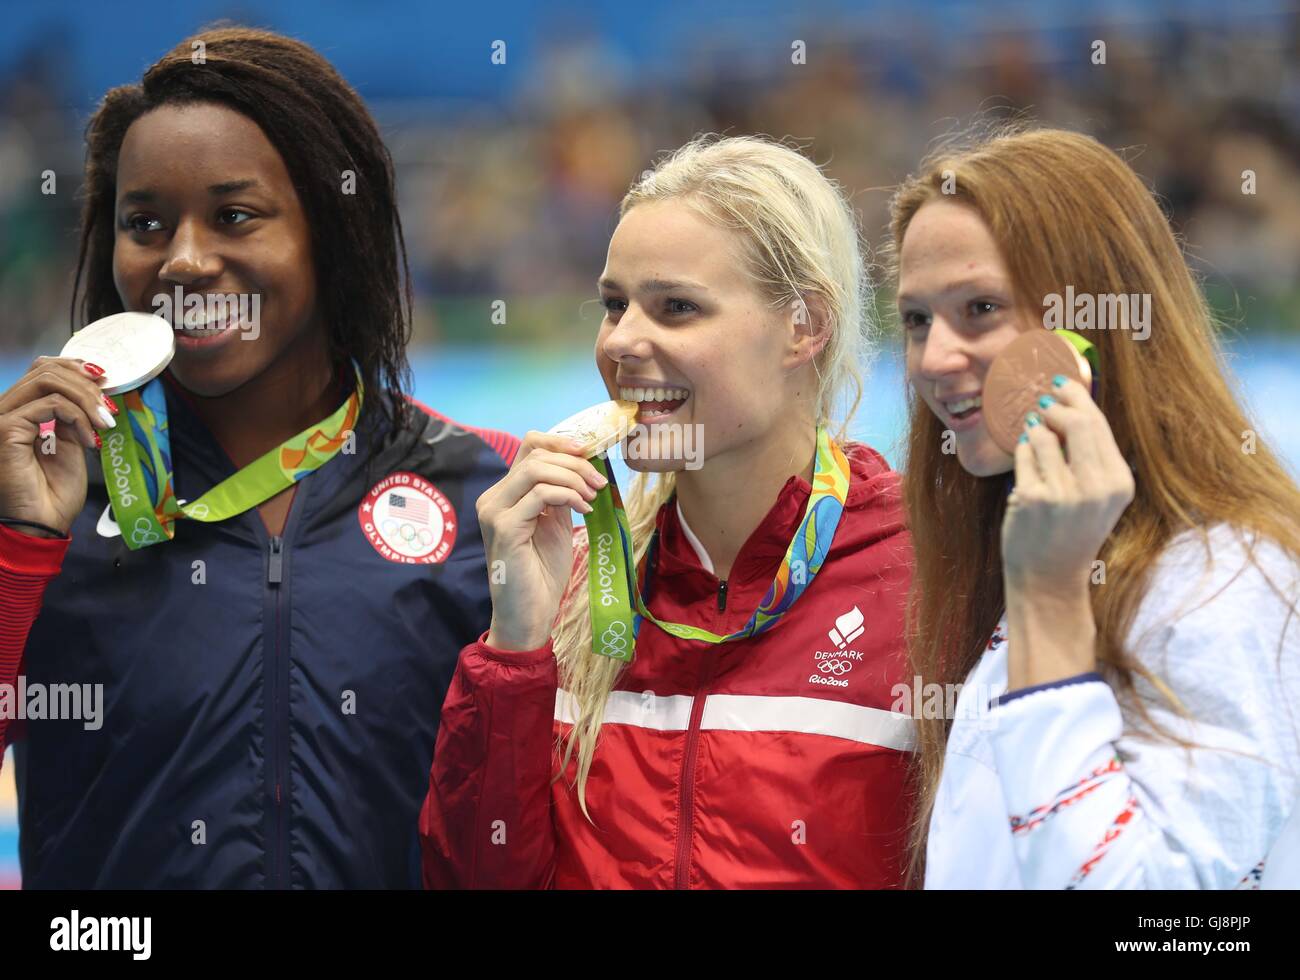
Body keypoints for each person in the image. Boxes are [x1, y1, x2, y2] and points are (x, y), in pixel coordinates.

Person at [0, 26, 517, 888]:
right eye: (145, 223)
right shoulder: (46, 496)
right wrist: (17, 545)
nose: (185, 260)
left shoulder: (478, 494)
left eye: (235, 216)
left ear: (332, 228)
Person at [420, 135, 915, 889]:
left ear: (804, 326)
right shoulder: (575, 583)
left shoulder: (923, 572)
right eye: (614, 305)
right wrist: (514, 647)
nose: (621, 342)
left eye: (676, 307)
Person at [890, 125, 1300, 888]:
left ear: (1098, 322)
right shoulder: (1044, 552)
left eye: (980, 308)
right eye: (917, 320)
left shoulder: (1228, 579)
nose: (936, 359)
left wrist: (1047, 606)